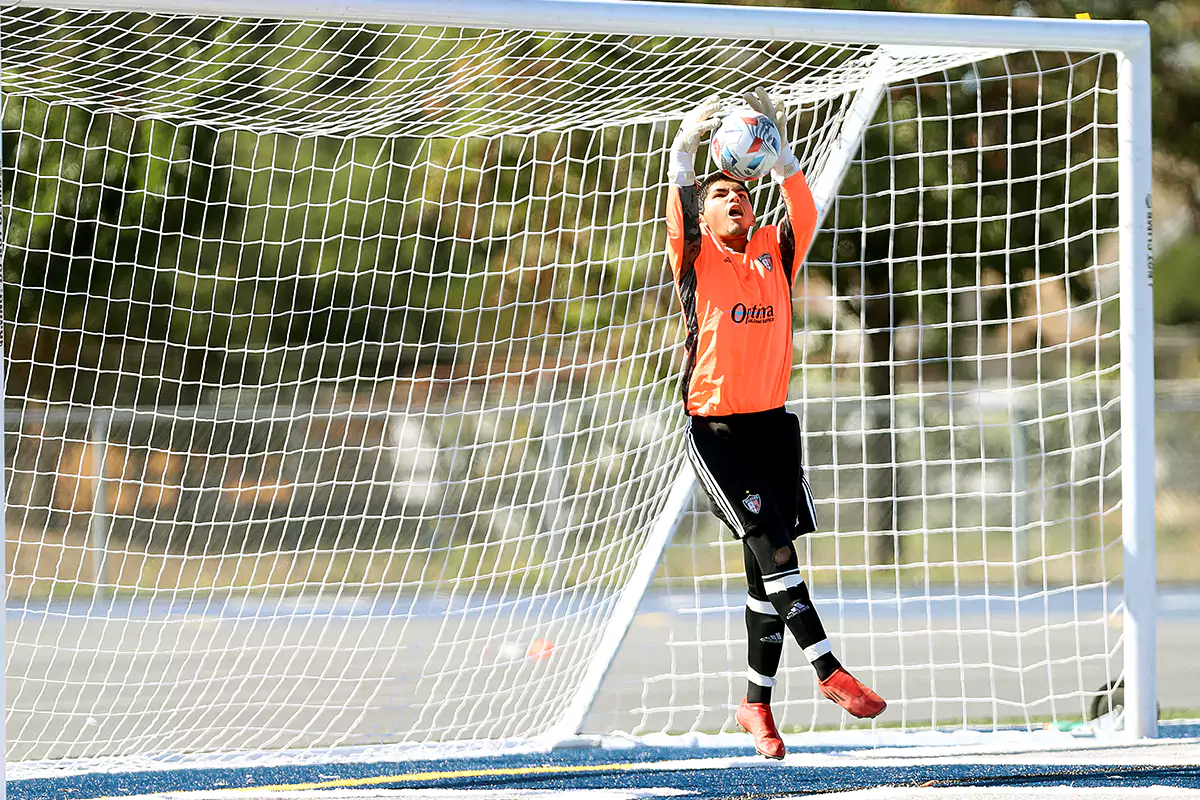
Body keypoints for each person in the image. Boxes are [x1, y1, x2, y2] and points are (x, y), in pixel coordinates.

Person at [665, 89, 886, 760]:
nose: (737, 201)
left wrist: (785, 158)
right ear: (701, 219)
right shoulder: (698, 261)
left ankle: (755, 705)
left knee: (767, 573)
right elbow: (679, 202)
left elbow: (804, 208)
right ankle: (829, 671)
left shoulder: (773, 253)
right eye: (721, 197)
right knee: (772, 543)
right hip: (718, 430)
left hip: (772, 428)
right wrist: (684, 144)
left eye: (743, 196)